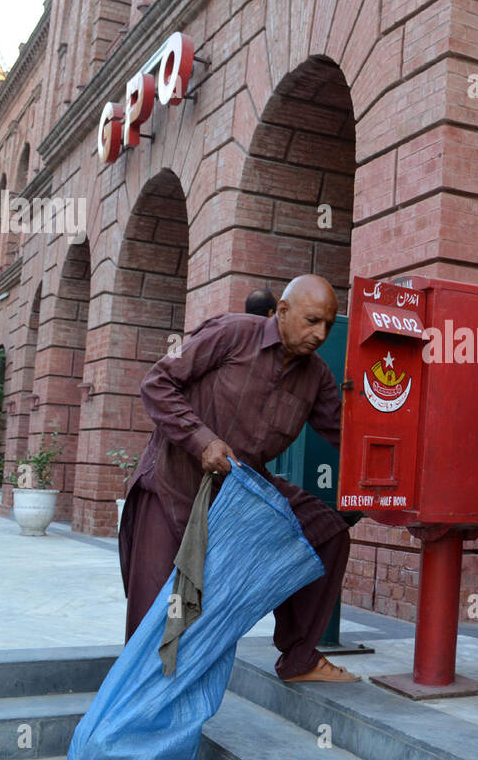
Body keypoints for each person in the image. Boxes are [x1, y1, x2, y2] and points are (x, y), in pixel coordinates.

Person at [119, 274, 358, 682]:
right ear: (282, 311)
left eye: (328, 327)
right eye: (312, 320)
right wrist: (203, 440)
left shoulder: (316, 376)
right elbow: (158, 383)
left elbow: (346, 436)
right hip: (174, 483)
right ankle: (132, 718)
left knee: (327, 533)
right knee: (156, 616)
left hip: (244, 490)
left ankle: (298, 657)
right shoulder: (231, 333)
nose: (320, 335)